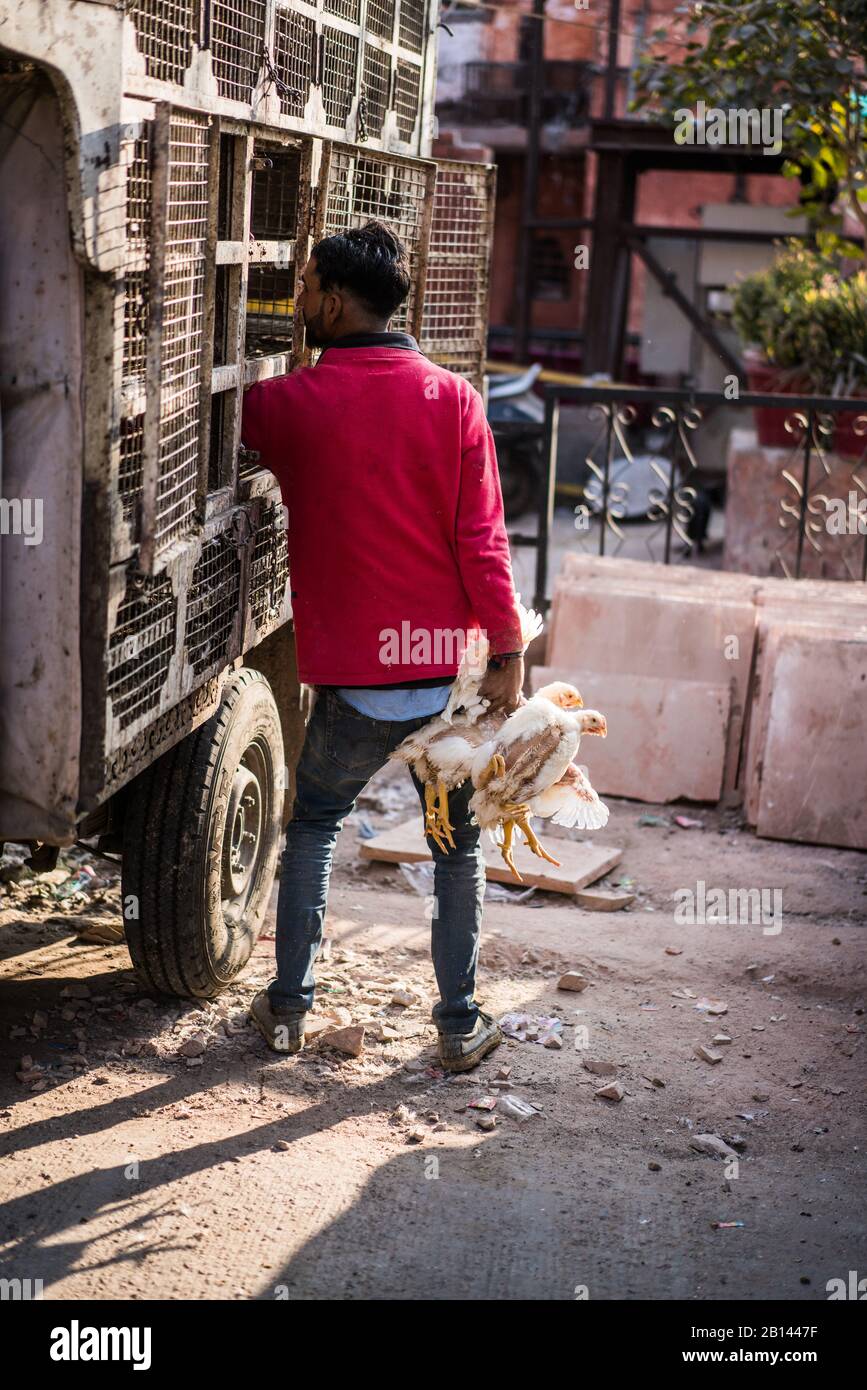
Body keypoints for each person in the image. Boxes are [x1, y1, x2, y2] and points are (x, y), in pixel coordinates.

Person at [242, 219, 524, 1072]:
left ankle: (287, 1011)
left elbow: (222, 427)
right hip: (442, 678)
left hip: (354, 684)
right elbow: (483, 541)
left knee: (315, 825)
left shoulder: (286, 405)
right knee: (455, 846)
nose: (296, 305)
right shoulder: (455, 400)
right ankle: (458, 1024)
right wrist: (508, 652)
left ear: (331, 298)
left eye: (302, 290)